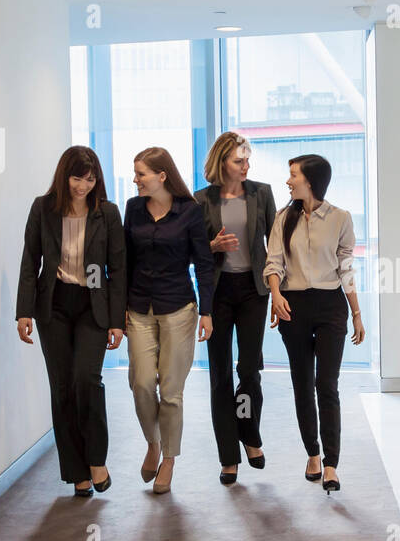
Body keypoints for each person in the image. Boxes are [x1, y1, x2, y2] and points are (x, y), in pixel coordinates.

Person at [16, 146, 125, 498]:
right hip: (55, 304)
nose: (83, 186)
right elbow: (30, 260)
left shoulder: (107, 213)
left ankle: (96, 460)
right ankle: (76, 471)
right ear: (65, 176)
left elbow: (118, 268)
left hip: (93, 303)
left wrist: (117, 319)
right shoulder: (43, 208)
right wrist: (24, 311)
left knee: (86, 379)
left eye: (90, 179)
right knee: (62, 387)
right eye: (77, 177)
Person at [264, 154, 364, 494]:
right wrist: (275, 296)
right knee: (302, 382)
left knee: (327, 383)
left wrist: (357, 313)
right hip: (293, 305)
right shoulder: (283, 218)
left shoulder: (340, 218)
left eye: (293, 176)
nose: (288, 181)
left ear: (311, 181)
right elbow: (273, 261)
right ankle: (313, 453)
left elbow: (346, 269)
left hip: (330, 305)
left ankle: (332, 463)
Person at [123, 146, 214, 494]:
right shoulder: (133, 209)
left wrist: (207, 311)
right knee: (142, 383)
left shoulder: (190, 212)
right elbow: (124, 262)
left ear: (162, 176)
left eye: (141, 174)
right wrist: (119, 309)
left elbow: (203, 263)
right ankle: (153, 442)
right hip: (139, 308)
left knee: (171, 392)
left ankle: (170, 460)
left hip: (179, 309)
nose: (136, 180)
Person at [194, 132, 276, 485]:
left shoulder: (262, 193)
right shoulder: (202, 200)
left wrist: (278, 293)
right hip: (218, 292)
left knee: (249, 369)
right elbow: (195, 254)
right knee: (219, 376)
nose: (246, 166)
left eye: (247, 160)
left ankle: (250, 434)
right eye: (238, 161)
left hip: (253, 291)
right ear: (221, 163)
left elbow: (275, 248)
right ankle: (228, 456)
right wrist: (212, 244)